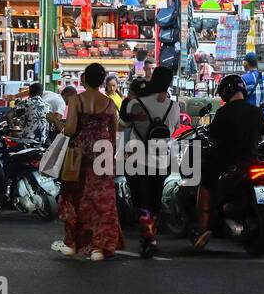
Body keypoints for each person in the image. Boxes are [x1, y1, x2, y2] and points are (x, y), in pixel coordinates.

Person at [53, 62, 122, 261]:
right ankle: (99, 248)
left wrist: (57, 122)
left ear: (84, 79)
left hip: (80, 153)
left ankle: (72, 243)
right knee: (102, 201)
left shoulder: (76, 100)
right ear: (102, 81)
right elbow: (113, 132)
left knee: (75, 196)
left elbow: (71, 129)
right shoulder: (109, 103)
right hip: (103, 153)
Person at [193, 74, 264, 249]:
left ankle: (202, 229)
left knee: (205, 182)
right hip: (252, 160)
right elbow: (262, 136)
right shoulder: (257, 112)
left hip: (227, 161)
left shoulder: (223, 112)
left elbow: (213, 137)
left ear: (226, 92)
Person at [123, 66, 176, 258]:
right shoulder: (174, 106)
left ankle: (146, 234)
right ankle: (151, 237)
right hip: (162, 157)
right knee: (154, 198)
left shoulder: (136, 103)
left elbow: (125, 124)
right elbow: (173, 127)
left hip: (136, 156)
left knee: (139, 198)